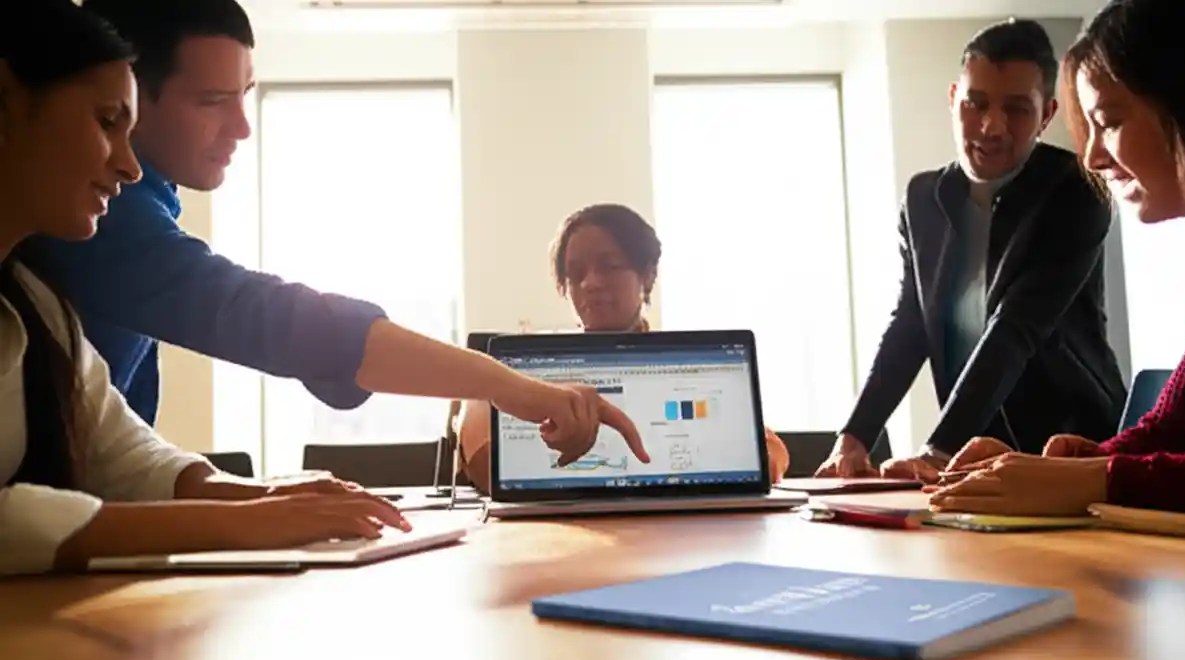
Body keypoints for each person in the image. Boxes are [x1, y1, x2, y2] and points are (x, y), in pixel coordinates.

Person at [21, 0, 647, 470]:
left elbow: (116, 460)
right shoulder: (101, 223)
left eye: (245, 95)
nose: (242, 126)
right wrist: (515, 388)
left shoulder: (137, 207)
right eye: (212, 101)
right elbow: (261, 314)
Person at [0, 0, 423, 576]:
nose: (128, 167)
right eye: (106, 122)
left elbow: (119, 453)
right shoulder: (110, 239)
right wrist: (245, 522)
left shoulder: (33, 300)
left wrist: (260, 497)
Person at [931, 0, 1185, 519]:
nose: (1092, 157)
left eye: (1109, 122)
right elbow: (1178, 429)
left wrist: (1100, 478)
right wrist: (1069, 466)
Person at [816, 18, 1123, 482]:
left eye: (1016, 109)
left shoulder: (1078, 191)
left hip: (1069, 449)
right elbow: (911, 325)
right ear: (952, 98)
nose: (991, 126)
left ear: (1047, 115)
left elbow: (1015, 328)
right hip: (973, 453)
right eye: (975, 104)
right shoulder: (924, 198)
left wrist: (937, 450)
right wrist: (855, 436)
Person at [457, 204, 790, 494]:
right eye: (575, 273)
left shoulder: (686, 363)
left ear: (648, 275)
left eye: (610, 266)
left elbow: (771, 454)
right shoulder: (526, 364)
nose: (590, 283)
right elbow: (481, 456)